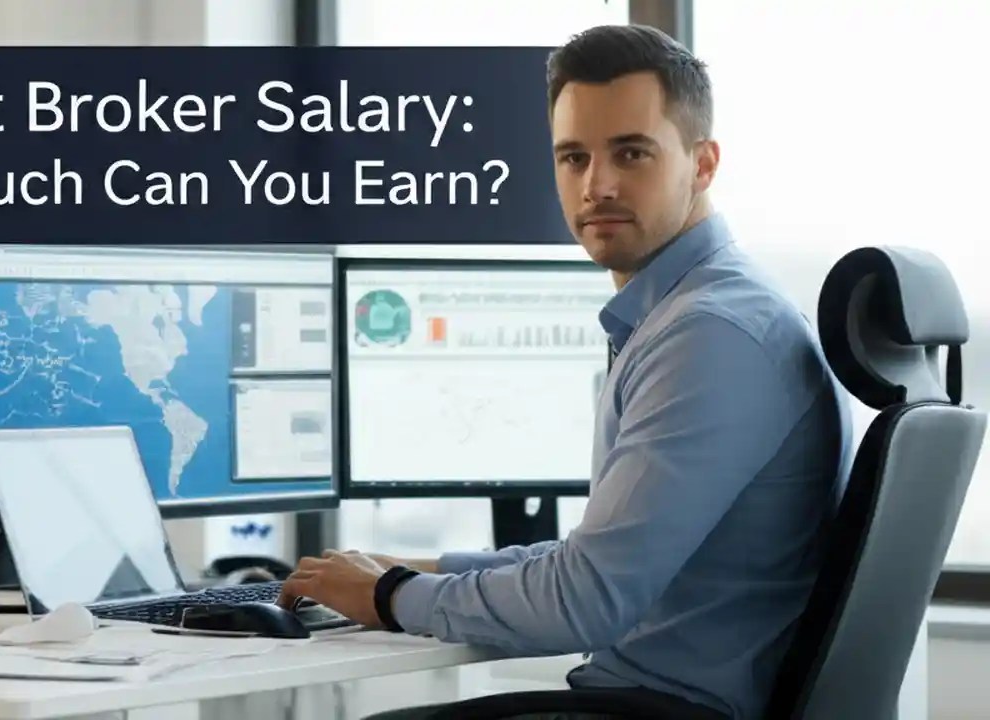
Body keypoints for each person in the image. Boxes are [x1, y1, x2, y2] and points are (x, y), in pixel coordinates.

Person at [277, 24, 851, 720]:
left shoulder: (710, 335)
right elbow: (598, 561)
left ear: (702, 164)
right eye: (573, 157)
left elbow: (588, 598)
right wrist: (417, 572)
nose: (597, 185)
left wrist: (387, 595)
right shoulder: (695, 313)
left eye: (631, 153)